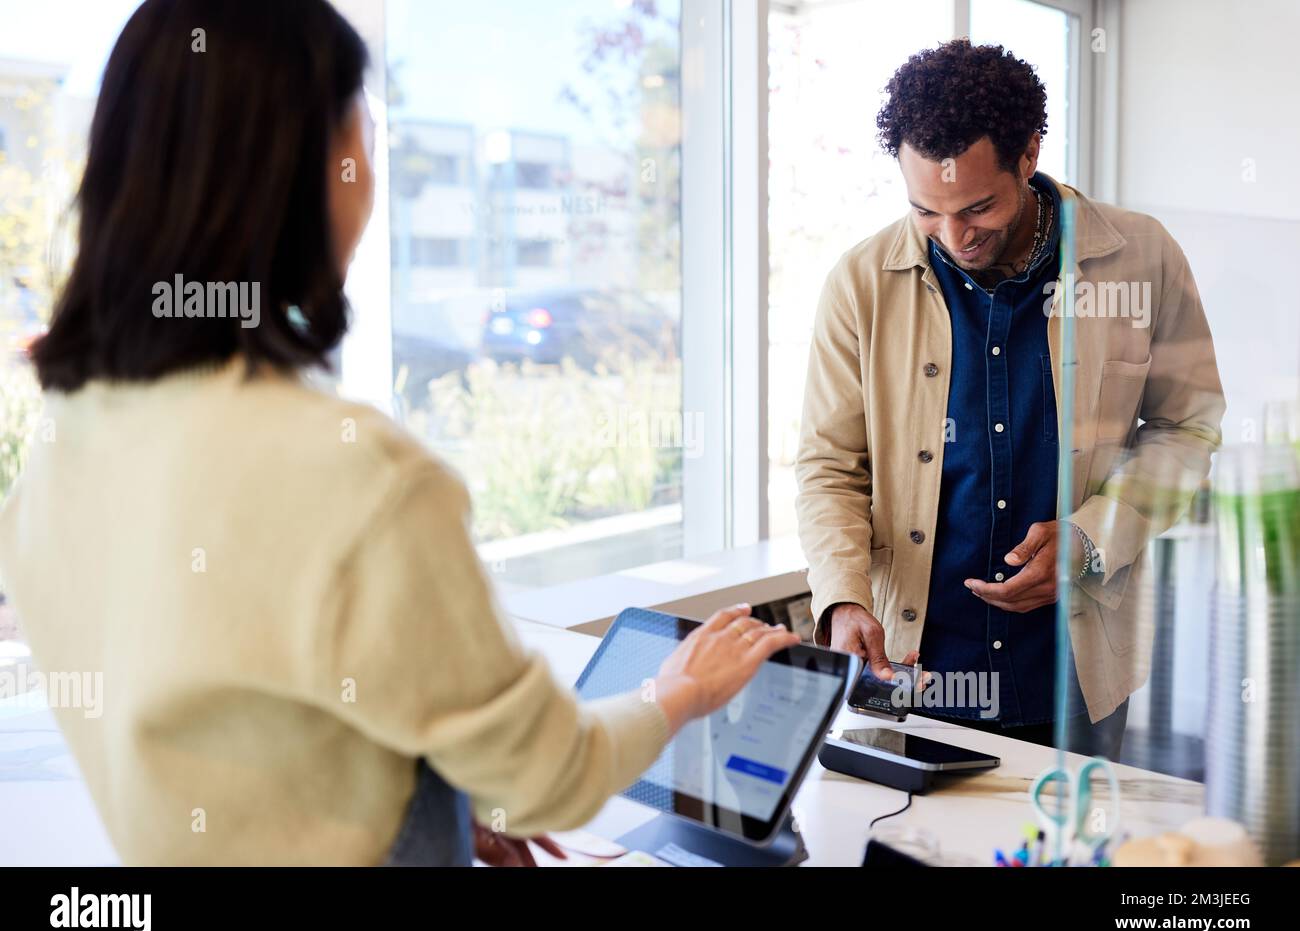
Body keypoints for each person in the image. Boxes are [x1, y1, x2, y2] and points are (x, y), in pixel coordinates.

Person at [0, 0, 799, 866]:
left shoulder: (64, 442)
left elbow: (242, 723)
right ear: (323, 167)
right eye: (366, 134)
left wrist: (435, 800)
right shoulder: (354, 473)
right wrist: (677, 691)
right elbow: (552, 777)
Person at [795, 39, 1224, 760]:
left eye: (978, 207)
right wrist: (841, 596)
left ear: (1029, 154)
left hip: (1075, 675)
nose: (954, 236)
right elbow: (828, 463)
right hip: (915, 677)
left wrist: (1092, 536)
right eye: (925, 210)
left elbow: (1189, 427)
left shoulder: (1143, 257)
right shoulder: (859, 282)